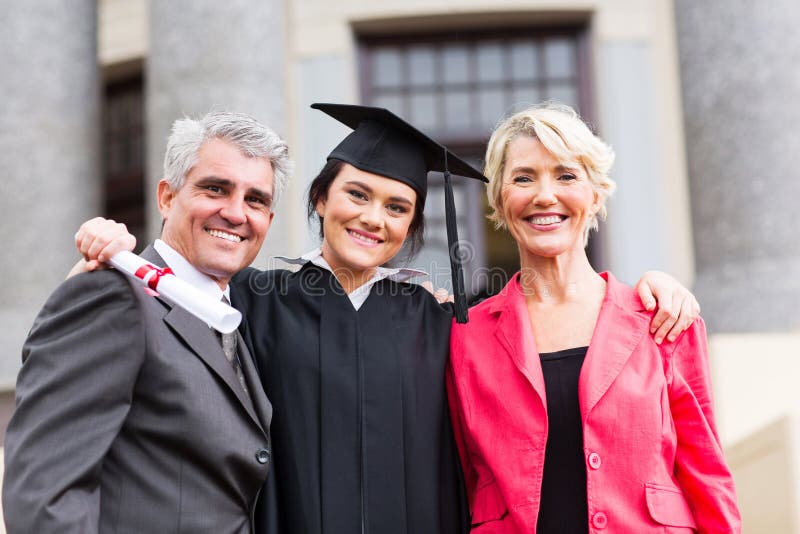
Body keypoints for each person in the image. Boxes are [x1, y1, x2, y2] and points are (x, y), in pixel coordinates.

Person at [73, 104, 701, 534]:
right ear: (320, 199)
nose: (374, 218)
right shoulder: (251, 300)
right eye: (356, 195)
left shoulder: (443, 322)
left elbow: (558, 325)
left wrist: (658, 286)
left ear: (410, 227)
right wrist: (105, 252)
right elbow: (164, 295)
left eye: (397, 206)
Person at [446, 102, 741, 533]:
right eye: (523, 178)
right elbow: (461, 482)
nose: (545, 195)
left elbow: (707, 476)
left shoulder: (664, 321)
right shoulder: (464, 338)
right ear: (499, 199)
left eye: (566, 175)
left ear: (596, 193)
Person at [3, 111, 291, 534]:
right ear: (167, 198)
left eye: (256, 200)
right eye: (215, 189)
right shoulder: (111, 295)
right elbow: (44, 494)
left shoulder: (237, 320)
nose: (235, 213)